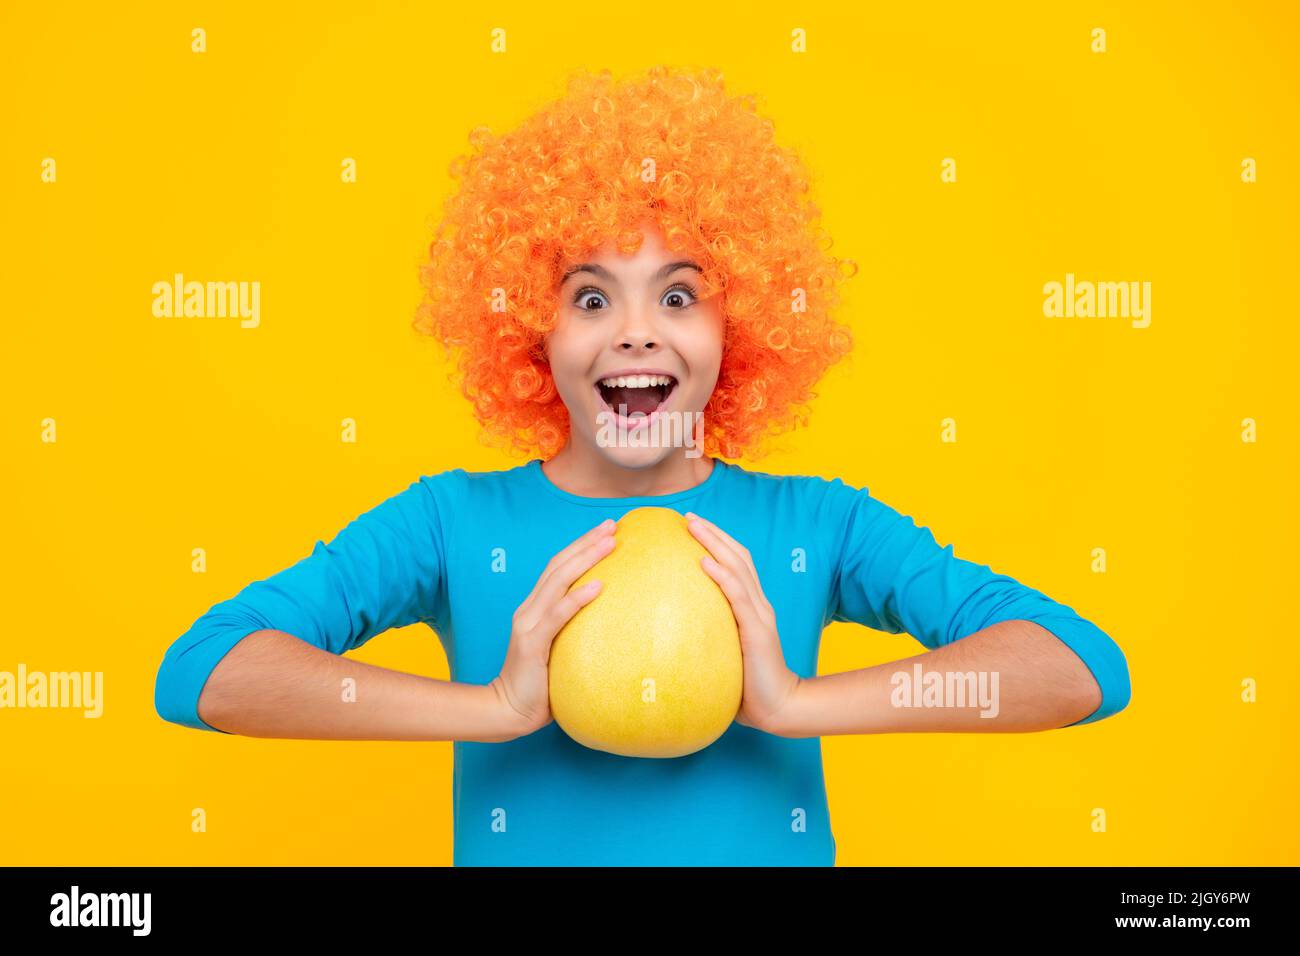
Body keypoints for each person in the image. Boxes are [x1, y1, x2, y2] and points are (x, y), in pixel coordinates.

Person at [153, 65, 1131, 865]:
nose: (632, 333)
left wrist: (792, 702)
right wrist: (496, 706)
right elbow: (205, 674)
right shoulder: (451, 524)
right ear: (530, 330)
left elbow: (1079, 669)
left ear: (736, 323)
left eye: (676, 297)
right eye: (589, 299)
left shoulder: (817, 526)